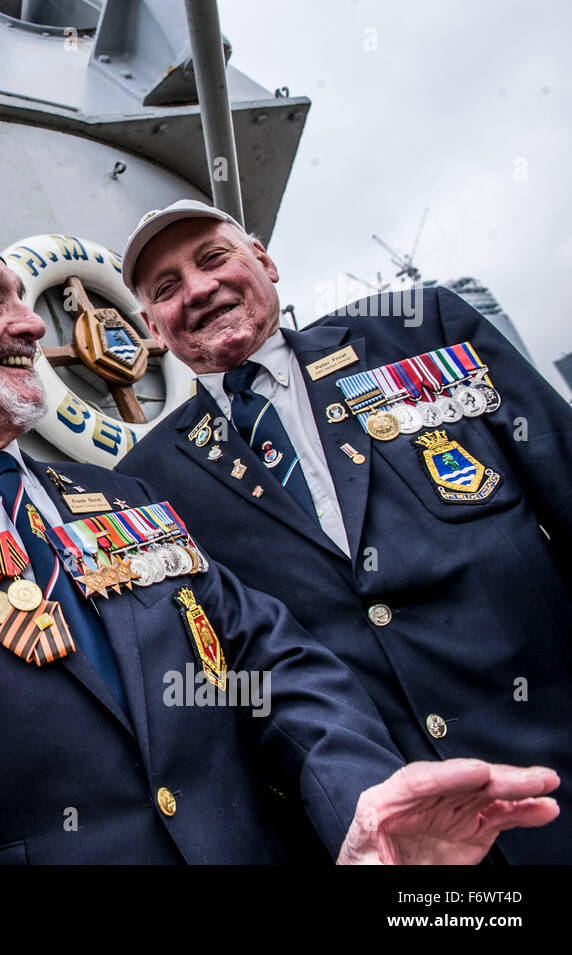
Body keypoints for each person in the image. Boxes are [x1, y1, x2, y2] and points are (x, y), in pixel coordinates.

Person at [0, 217, 558, 864]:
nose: (30, 321)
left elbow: (267, 662)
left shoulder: (124, 495)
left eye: (22, 296)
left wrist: (360, 798)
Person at [116, 198, 572, 862]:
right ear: (152, 327)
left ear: (264, 261)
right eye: (166, 288)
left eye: (213, 257)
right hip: (399, 840)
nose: (198, 288)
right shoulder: (148, 484)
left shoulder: (423, 332)